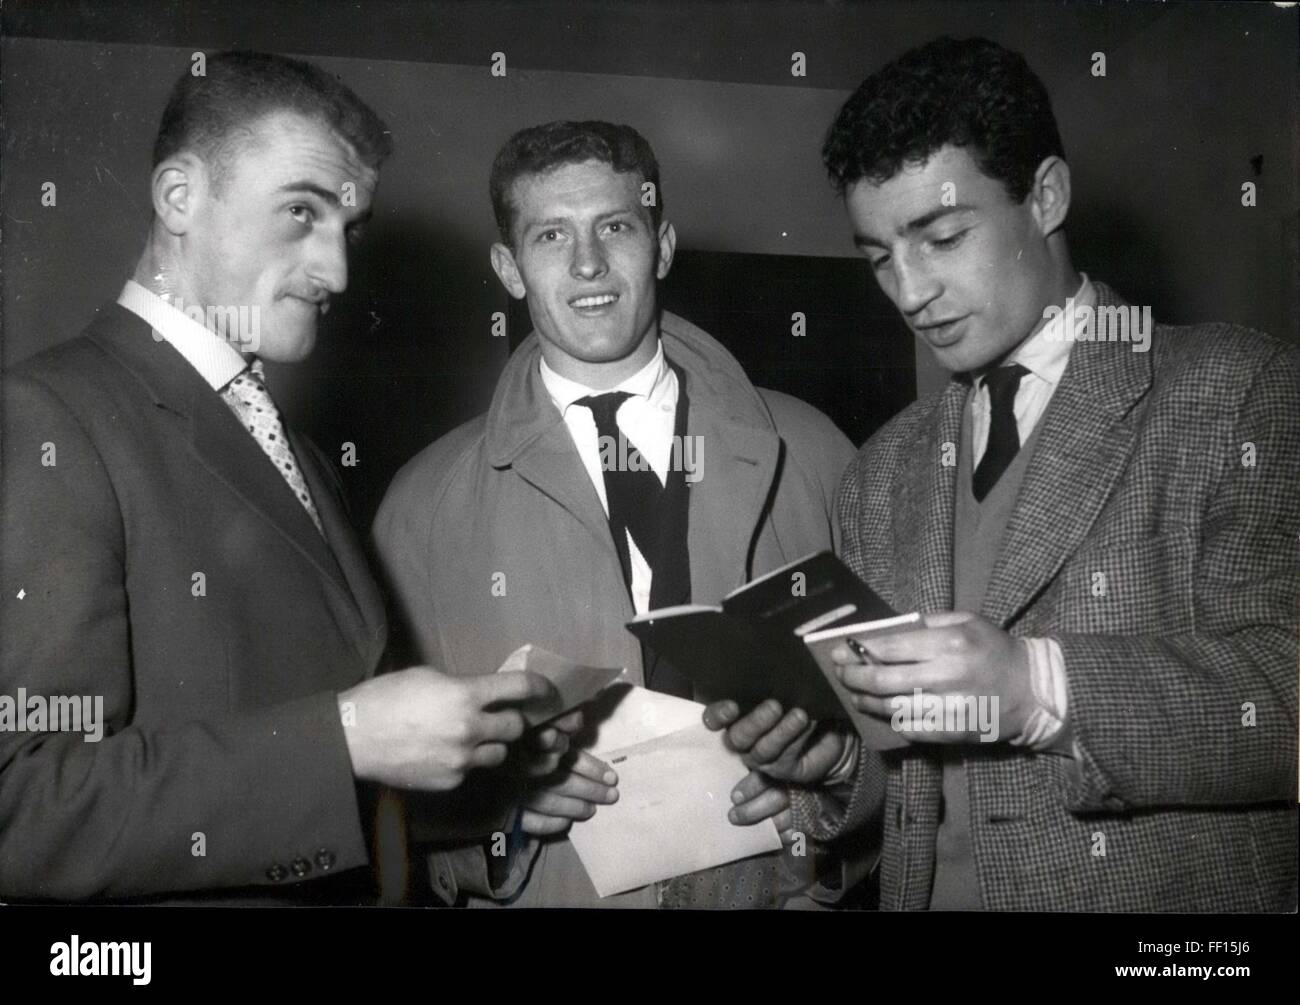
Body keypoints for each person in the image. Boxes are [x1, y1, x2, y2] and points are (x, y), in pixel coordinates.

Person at [710, 35, 1298, 911]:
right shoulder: (880, 471)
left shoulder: (1235, 389)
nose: (909, 292)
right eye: (879, 258)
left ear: (1047, 196)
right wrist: (834, 763)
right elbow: (908, 783)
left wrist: (1036, 687)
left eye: (941, 237)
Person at [0, 50, 552, 904]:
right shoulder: (50, 417)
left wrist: (492, 793)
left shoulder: (289, 445)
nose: (336, 271)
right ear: (178, 197)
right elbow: (22, 804)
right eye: (300, 210)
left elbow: (307, 772)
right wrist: (347, 738)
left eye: (348, 228)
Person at [372, 120, 860, 908]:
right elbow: (391, 814)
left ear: (661, 246)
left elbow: (906, 751)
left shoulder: (816, 453)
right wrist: (497, 820)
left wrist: (833, 784)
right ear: (508, 267)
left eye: (615, 227)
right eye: (551, 235)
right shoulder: (421, 508)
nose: (588, 263)